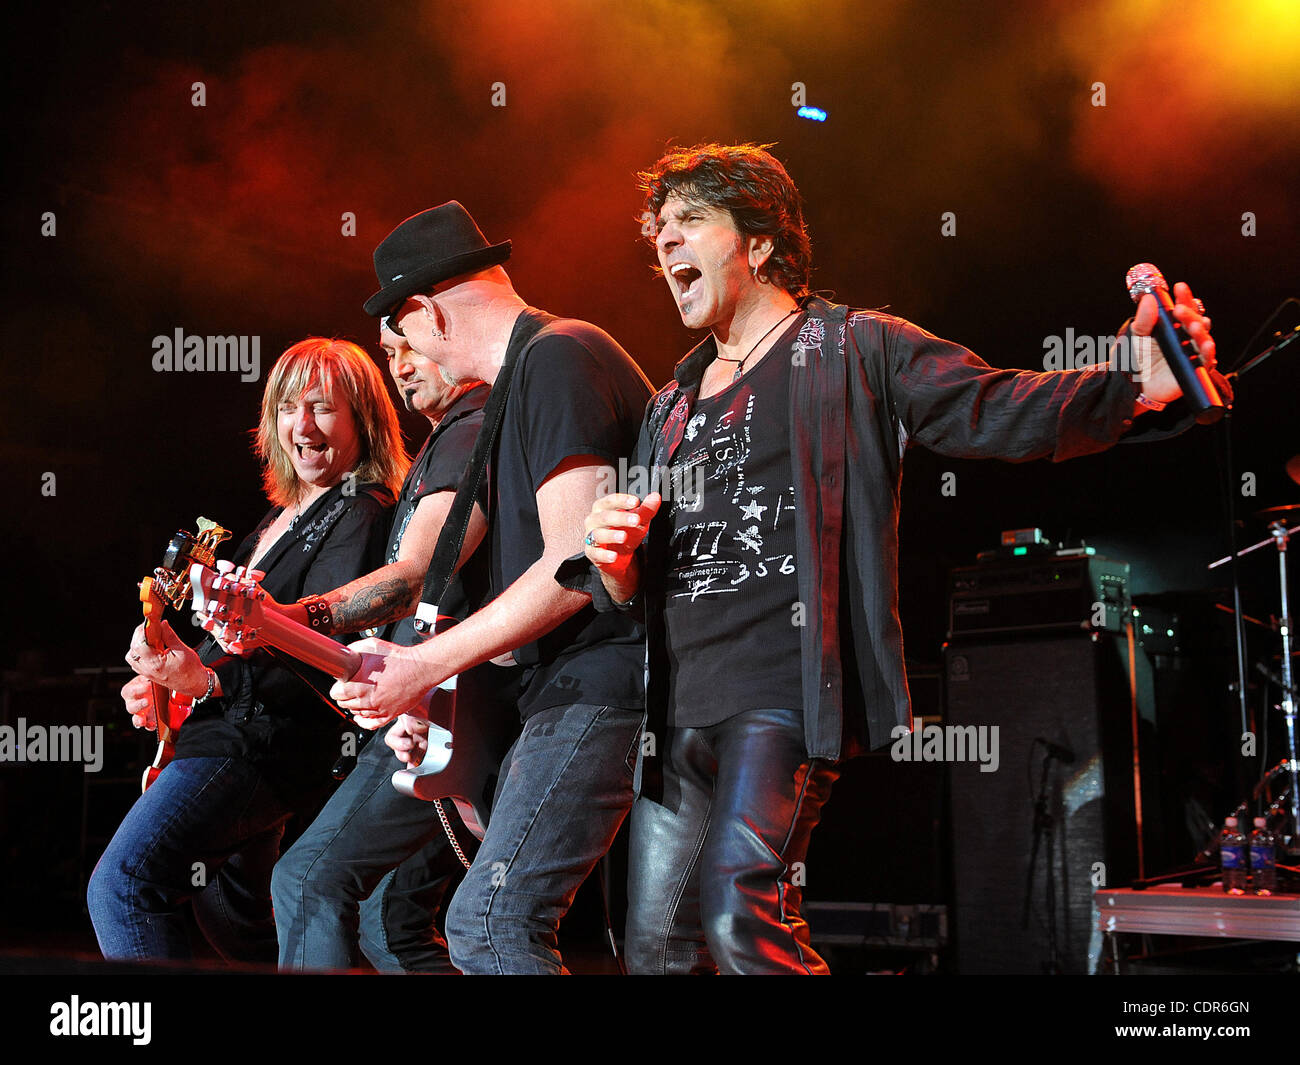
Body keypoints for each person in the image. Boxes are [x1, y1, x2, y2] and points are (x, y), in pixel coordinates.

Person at [577, 142, 1226, 974]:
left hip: (779, 696)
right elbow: (632, 582)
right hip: (675, 708)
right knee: (657, 951)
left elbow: (994, 405)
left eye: (689, 222)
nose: (665, 244)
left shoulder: (855, 347)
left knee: (743, 917)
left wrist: (1131, 380)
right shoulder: (670, 405)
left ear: (761, 243)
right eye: (657, 230)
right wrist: (617, 563)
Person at [330, 200, 651, 974]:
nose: (401, 352)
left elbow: (577, 574)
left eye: (399, 331)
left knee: (491, 920)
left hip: (600, 682)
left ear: (426, 309)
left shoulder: (557, 355)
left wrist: (421, 667)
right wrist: (432, 697)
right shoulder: (515, 386)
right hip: (562, 689)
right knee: (483, 919)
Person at [87, 338, 404, 963]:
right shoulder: (277, 516)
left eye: (322, 408)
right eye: (288, 407)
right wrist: (164, 682)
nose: (301, 427)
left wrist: (204, 683)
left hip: (256, 747)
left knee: (123, 887)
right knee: (244, 925)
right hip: (223, 735)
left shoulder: (360, 511)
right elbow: (231, 637)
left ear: (363, 419)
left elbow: (324, 646)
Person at [267, 319, 512, 973]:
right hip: (435, 709)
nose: (400, 362)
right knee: (388, 921)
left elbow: (412, 581)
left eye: (409, 342)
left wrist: (294, 615)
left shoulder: (471, 425)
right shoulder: (447, 438)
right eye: (389, 351)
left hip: (453, 709)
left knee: (308, 879)